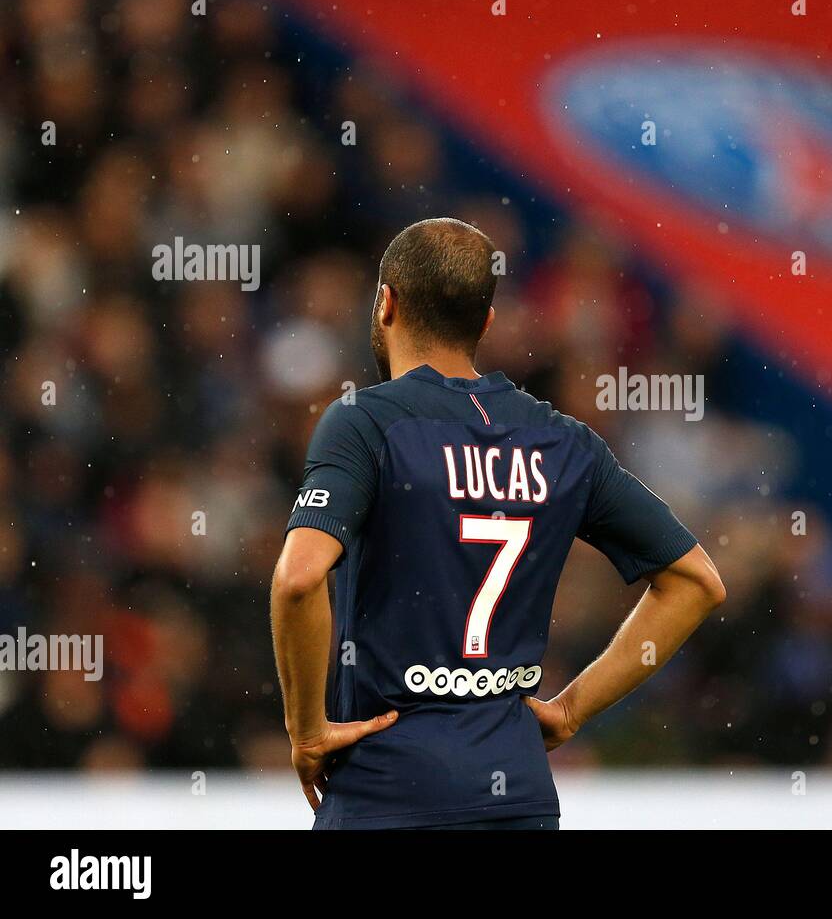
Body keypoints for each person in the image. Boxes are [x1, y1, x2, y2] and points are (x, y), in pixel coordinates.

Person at [269, 218, 725, 829]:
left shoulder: (364, 423)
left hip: (388, 784)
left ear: (386, 304)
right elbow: (697, 582)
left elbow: (299, 580)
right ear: (485, 323)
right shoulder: (564, 442)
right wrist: (571, 709)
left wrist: (305, 731)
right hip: (516, 792)